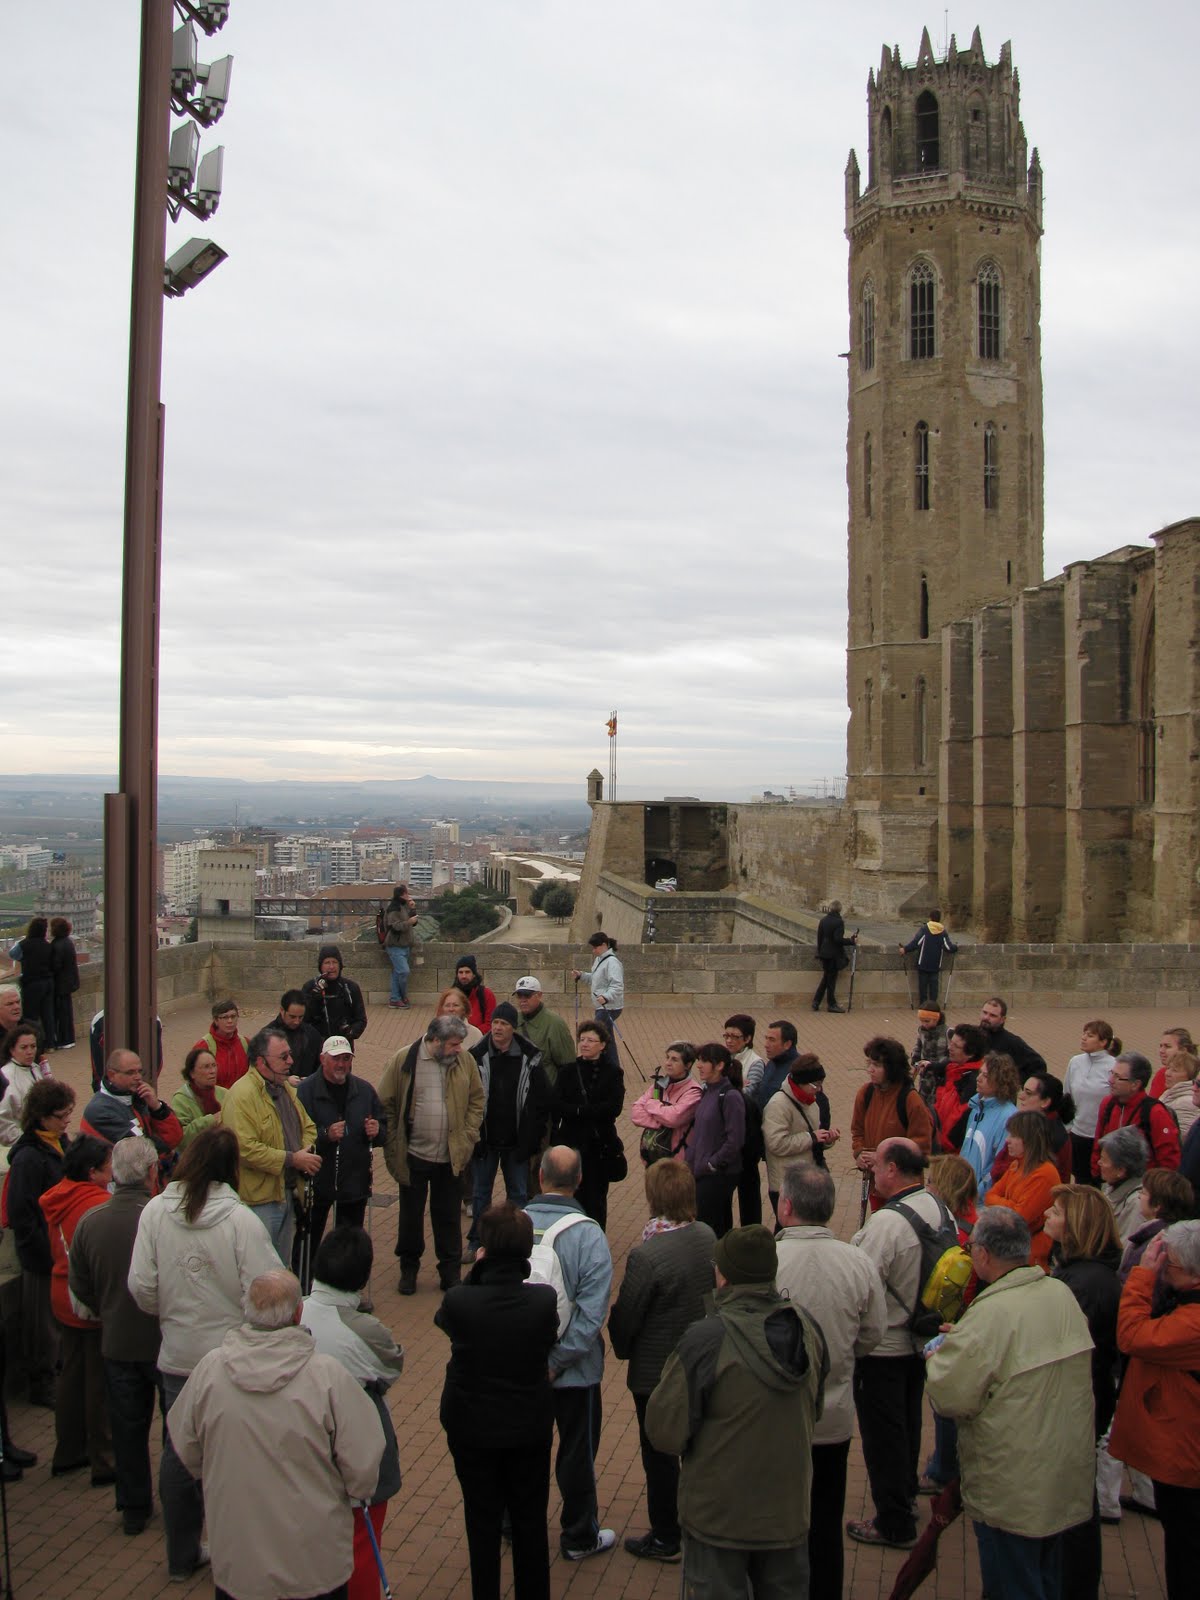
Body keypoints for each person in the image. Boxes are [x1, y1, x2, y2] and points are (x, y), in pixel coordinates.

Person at [167, 1269, 385, 1600]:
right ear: (298, 1313)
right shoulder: (327, 1378)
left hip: (239, 1561)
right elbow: (364, 1468)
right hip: (314, 1563)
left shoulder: (209, 1371)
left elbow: (185, 1446)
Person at [128, 1127, 284, 1581]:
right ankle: (237, 1554)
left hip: (178, 1356)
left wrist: (172, 1314)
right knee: (236, 1460)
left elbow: (142, 1285)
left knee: (179, 1455)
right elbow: (268, 1290)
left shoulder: (155, 1212)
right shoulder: (242, 1222)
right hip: (232, 1362)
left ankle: (180, 1558)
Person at [646, 1224, 826, 1599]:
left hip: (719, 1518)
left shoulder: (706, 1339)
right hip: (786, 1513)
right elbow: (816, 1407)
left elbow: (665, 1429)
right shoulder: (807, 1328)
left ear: (724, 1275)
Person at [925, 1207, 1095, 1600]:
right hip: (1062, 1475)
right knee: (1047, 1577)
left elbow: (950, 1394)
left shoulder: (992, 1312)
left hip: (1013, 1483)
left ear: (983, 1255)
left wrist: (942, 1358)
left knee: (1012, 1583)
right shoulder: (1059, 1292)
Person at [436, 1203, 558, 1600]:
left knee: (481, 1522)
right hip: (527, 1428)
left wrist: (478, 1271)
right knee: (529, 1523)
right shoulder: (542, 1302)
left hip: (473, 1429)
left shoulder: (460, 1301)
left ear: (485, 1250)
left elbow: (445, 1318)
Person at [775, 1163, 885, 1600]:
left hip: (779, 1417)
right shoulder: (856, 1261)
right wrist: (841, 1358)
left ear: (785, 1206)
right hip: (833, 1415)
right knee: (825, 1518)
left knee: (777, 1518)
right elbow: (873, 1333)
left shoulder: (768, 1261)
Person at [609, 1159, 716, 1564]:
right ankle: (697, 1518)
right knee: (697, 1444)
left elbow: (627, 1316)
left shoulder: (648, 1255)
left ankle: (666, 1534)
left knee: (658, 1453)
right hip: (700, 1362)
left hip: (657, 1371)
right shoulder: (707, 1235)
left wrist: (620, 1340)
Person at [848, 1138, 948, 1548]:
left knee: (883, 1433)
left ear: (892, 1170)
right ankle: (904, 1495)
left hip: (885, 1344)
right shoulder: (938, 1208)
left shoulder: (887, 1224)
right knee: (907, 1421)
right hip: (919, 1339)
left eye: (878, 1165)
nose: (872, 1172)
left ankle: (893, 1521)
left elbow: (861, 1285)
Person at [67, 1135, 163, 1536]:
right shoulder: (162, 1219)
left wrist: (109, 1309)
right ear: (150, 1173)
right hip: (163, 1340)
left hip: (117, 1340)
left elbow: (81, 1285)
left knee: (126, 1428)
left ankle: (134, 1506)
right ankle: (181, 1500)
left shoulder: (90, 1223)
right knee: (178, 1427)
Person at [302, 1228, 404, 1600]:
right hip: (358, 1448)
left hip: (301, 1444)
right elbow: (392, 1366)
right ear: (363, 1277)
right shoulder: (366, 1329)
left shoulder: (292, 1312)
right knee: (362, 1545)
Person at [525, 1145, 616, 1562]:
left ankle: (516, 1524)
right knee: (578, 1453)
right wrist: (559, 1361)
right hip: (576, 1372)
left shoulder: (514, 1224)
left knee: (522, 1451)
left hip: (521, 1369)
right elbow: (592, 1312)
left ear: (539, 1177)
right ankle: (579, 1534)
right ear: (579, 1181)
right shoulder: (588, 1233)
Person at [1108, 1222, 1200, 1600]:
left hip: (1186, 1457)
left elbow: (1132, 1336)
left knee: (1187, 1547)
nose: (1165, 1271)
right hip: (1182, 1449)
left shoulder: (1193, 1323)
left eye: (1170, 1265)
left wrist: (1144, 1275)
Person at [1041, 1185, 1124, 1568]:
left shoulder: (1086, 1283)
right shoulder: (1084, 1274)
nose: (1047, 1215)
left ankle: (1071, 1580)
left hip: (1077, 1403)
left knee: (1072, 1503)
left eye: (1056, 1212)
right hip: (1083, 1399)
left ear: (1076, 1226)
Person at [380, 1015, 484, 1295]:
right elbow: (386, 1104)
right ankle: (409, 1269)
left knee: (448, 1217)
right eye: (453, 1044)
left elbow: (477, 1099)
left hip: (450, 1156)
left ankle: (450, 1272)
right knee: (411, 1217)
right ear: (434, 1041)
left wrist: (469, 1135)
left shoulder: (465, 1062)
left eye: (460, 1043)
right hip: (413, 1155)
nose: (458, 1049)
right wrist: (392, 1142)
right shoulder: (404, 1060)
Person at [39, 1134, 114, 1482]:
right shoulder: (96, 1204)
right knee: (98, 1383)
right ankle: (104, 1461)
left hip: (61, 1291)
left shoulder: (60, 1196)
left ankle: (68, 1451)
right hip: (89, 1299)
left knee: (70, 1374)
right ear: (92, 1171)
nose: (112, 1172)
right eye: (107, 1166)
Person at [222, 1026, 320, 1260]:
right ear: (261, 1062)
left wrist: (305, 1150)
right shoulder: (241, 1095)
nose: (291, 1061)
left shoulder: (284, 1087)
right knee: (258, 1267)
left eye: (290, 1055)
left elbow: (308, 1126)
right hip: (258, 1201)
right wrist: (292, 1159)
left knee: (280, 1267)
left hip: (287, 1192)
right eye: (283, 1056)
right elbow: (244, 1148)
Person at [7, 1077, 75, 1406]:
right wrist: (45, 1254)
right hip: (42, 1256)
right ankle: (42, 1383)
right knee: (43, 1326)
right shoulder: (28, 1158)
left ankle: (57, 1374)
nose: (67, 1122)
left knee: (58, 1323)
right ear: (43, 1116)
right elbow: (21, 1214)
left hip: (60, 1250)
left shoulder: (59, 1143)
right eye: (61, 1115)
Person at [465, 1004, 549, 1262]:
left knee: (518, 1194)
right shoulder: (476, 1055)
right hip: (486, 1139)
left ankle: (518, 1243)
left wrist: (531, 1140)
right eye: (495, 1023)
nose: (498, 1028)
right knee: (481, 1194)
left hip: (517, 1142)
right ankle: (477, 1242)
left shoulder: (529, 1057)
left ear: (513, 1028)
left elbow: (541, 1101)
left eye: (504, 1024)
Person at [919, 1153, 980, 1495]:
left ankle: (944, 1468)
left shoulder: (960, 1230)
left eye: (931, 1182)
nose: (927, 1187)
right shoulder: (964, 1220)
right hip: (957, 1318)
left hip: (953, 1323)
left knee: (944, 1401)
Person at [297, 1036, 386, 1255]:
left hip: (353, 1182)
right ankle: (305, 1284)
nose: (341, 1064)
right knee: (308, 1241)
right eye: (336, 1058)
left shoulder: (364, 1090)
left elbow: (384, 1128)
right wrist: (325, 1135)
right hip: (316, 1181)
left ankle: (345, 1284)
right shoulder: (305, 1091)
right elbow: (296, 1137)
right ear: (322, 1059)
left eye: (346, 1058)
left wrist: (378, 1131)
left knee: (348, 1246)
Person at [550, 1020, 624, 1228]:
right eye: (582, 1039)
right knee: (569, 1197)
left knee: (596, 1200)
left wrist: (579, 1111)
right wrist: (583, 1112)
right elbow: (557, 1104)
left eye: (591, 1040)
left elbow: (613, 1108)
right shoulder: (567, 1071)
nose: (584, 1044)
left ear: (602, 1045)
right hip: (571, 1144)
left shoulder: (613, 1073)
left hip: (598, 1147)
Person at [851, 1036, 933, 1209]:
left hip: (904, 1190)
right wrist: (859, 1153)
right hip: (876, 1185)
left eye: (877, 1065)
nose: (870, 1070)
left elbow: (922, 1146)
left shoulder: (911, 1100)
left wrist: (883, 1158)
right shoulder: (865, 1093)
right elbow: (857, 1131)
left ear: (891, 1068)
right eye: (869, 1064)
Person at [762, 1052, 840, 1216]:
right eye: (815, 1084)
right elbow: (776, 1144)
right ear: (800, 1083)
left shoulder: (810, 1101)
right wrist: (812, 1137)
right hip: (786, 1183)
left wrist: (826, 1139)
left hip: (806, 1179)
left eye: (821, 1084)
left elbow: (812, 1137)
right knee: (787, 1226)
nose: (819, 1089)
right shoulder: (778, 1105)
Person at [80, 1048, 184, 1169]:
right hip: (118, 1182)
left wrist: (157, 1107)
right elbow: (141, 1151)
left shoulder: (138, 1098)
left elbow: (175, 1137)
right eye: (130, 1073)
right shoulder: (100, 1111)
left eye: (140, 1071)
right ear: (111, 1075)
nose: (138, 1077)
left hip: (146, 1175)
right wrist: (166, 1150)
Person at [985, 1110, 1061, 1269]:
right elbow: (989, 1196)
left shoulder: (1045, 1173)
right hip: (1013, 1246)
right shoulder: (1016, 1165)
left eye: (1013, 1135)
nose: (1007, 1140)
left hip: (1032, 1257)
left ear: (1029, 1139)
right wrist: (1012, 1204)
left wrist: (1004, 1205)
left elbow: (1019, 1218)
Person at [683, 1042, 745, 1238]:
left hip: (718, 1174)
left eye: (704, 1061)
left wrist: (712, 1163)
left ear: (719, 1065)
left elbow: (735, 1140)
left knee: (708, 1228)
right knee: (712, 1226)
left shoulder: (730, 1096)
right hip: (700, 1171)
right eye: (698, 1061)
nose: (699, 1065)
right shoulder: (707, 1092)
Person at [1091, 1050, 1181, 1176]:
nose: (1110, 1080)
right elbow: (1099, 1142)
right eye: (1112, 1073)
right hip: (1110, 1183)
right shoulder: (1108, 1104)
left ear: (1135, 1084)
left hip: (1142, 1188)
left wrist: (1154, 1189)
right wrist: (1096, 1174)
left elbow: (1169, 1161)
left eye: (1118, 1077)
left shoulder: (1155, 1113)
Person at [1064, 1019, 1121, 1184]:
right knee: (1080, 1179)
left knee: (1098, 1181)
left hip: (1101, 1137)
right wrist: (1068, 1127)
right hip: (1077, 1133)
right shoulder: (1075, 1062)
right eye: (1084, 1034)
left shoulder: (1114, 1066)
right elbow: (1067, 1095)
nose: (1084, 1038)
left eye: (1090, 1036)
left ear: (1103, 1042)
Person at [629, 1040, 701, 1167]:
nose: (668, 1063)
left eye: (674, 1060)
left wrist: (652, 1105)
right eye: (667, 1058)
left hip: (677, 1162)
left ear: (688, 1065)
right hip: (652, 1158)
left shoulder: (693, 1092)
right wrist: (664, 1120)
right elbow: (636, 1114)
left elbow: (674, 1118)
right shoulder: (659, 1085)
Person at [960, 1051, 1021, 1187]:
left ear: (1001, 1081)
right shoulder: (976, 1108)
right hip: (963, 1193)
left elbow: (1000, 1165)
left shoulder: (1009, 1117)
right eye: (980, 1073)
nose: (978, 1078)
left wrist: (979, 1193)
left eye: (985, 1076)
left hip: (981, 1200)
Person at [1009, 1070, 1075, 1181]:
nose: (1021, 1096)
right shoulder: (1031, 1125)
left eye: (1028, 1093)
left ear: (1045, 1102)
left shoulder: (1050, 1136)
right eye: (1023, 1090)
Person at [930, 1022, 986, 1152]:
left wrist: (941, 1144)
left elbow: (960, 1119)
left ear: (970, 1053)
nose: (950, 1048)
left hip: (951, 1152)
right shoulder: (953, 1070)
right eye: (951, 1043)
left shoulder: (974, 1082)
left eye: (956, 1046)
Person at [512, 976, 576, 1085]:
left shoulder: (555, 1024)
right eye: (519, 995)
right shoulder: (513, 1021)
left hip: (545, 1090)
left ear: (539, 995)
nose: (523, 1000)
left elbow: (567, 1064)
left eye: (527, 995)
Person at [303, 944, 368, 1046]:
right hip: (317, 1046)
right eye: (327, 963)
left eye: (335, 962)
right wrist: (314, 1000)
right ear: (321, 966)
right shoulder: (310, 987)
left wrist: (350, 1033)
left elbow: (361, 1019)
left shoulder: (351, 988)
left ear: (340, 965)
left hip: (343, 1045)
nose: (331, 967)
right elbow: (303, 1020)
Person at [1097, 1126, 1151, 1243]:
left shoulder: (1136, 1203)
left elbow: (1125, 1247)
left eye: (1104, 1160)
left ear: (1121, 1170)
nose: (1099, 1162)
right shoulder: (1110, 1186)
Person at [0, 1021, 50, 1145]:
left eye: (33, 1046)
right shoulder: (6, 1076)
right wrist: (27, 1142)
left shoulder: (36, 1068)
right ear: (12, 1049)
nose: (30, 1052)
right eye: (24, 1047)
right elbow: (3, 1121)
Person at [573, 932, 624, 1049]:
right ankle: (612, 1065)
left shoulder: (612, 963)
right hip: (601, 1006)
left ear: (604, 945)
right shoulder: (600, 960)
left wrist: (606, 997)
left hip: (610, 1007)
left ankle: (601, 1062)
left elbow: (617, 986)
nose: (593, 951)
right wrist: (581, 975)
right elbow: (595, 978)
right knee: (606, 1039)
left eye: (595, 947)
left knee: (596, 1034)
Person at [258, 989, 323, 1082]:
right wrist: (285, 1080)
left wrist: (312, 1080)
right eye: (292, 1017)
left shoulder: (312, 1034)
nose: (297, 1021)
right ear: (282, 1010)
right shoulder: (267, 1035)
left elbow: (320, 1066)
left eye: (300, 1017)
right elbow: (259, 1069)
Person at [171, 1045, 227, 1147]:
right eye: (206, 1067)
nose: (212, 1071)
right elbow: (181, 1138)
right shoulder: (180, 1099)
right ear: (192, 1073)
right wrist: (212, 1120)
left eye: (214, 1065)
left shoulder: (225, 1093)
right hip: (196, 1158)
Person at [979, 995, 1047, 1075]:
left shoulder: (1012, 1042)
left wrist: (1014, 1082)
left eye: (992, 1015)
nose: (986, 1017)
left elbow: (1039, 1065)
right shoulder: (970, 1036)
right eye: (985, 1012)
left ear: (1002, 1020)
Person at [899, 911, 956, 1004]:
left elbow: (916, 943)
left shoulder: (925, 929)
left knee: (923, 986)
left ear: (930, 918)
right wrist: (955, 947)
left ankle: (923, 1005)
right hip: (935, 964)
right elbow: (948, 947)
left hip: (923, 963)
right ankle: (933, 1006)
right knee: (934, 987)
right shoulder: (942, 931)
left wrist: (905, 949)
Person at [15, 916, 55, 1049]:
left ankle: (35, 1045)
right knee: (47, 1015)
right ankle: (50, 1044)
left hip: (32, 983)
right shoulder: (48, 946)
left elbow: (12, 954)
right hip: (48, 982)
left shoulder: (24, 944)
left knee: (30, 1016)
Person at [192, 998, 250, 1089]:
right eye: (225, 1017)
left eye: (233, 1016)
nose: (230, 1021)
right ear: (215, 1020)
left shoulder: (245, 1043)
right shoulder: (203, 1046)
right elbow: (194, 1080)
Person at [813, 899, 855, 1012]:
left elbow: (819, 938)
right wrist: (850, 941)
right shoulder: (838, 922)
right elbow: (838, 939)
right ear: (840, 910)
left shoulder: (823, 920)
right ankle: (831, 1004)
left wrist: (820, 952)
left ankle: (816, 1001)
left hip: (824, 953)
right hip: (833, 955)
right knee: (831, 980)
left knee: (826, 978)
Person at [749, 1020, 801, 1110]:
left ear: (787, 1044)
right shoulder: (772, 1063)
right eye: (766, 1038)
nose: (766, 1045)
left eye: (772, 1040)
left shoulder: (800, 1069)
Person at [382, 883, 419, 1008]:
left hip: (405, 945)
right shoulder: (394, 908)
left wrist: (412, 909)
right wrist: (409, 922)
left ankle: (395, 998)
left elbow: (414, 923)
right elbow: (395, 926)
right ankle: (401, 996)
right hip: (395, 945)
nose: (408, 896)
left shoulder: (404, 907)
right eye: (406, 894)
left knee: (397, 973)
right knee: (403, 971)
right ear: (401, 895)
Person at [48, 916, 79, 1050]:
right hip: (68, 982)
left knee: (62, 1014)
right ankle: (68, 1039)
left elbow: (56, 965)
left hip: (60, 984)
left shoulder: (57, 944)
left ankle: (64, 1040)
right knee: (66, 1012)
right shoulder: (68, 942)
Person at [911, 1004, 949, 1100]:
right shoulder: (922, 1031)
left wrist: (939, 1065)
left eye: (927, 1021)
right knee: (923, 1097)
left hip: (940, 1073)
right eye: (922, 1021)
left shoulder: (947, 1033)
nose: (924, 1024)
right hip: (925, 1073)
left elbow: (950, 1053)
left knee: (937, 1098)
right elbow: (918, 1045)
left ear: (936, 1019)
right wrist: (915, 1058)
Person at [451, 953, 496, 1033]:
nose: (464, 976)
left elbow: (491, 1024)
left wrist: (471, 1034)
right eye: (460, 972)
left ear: (474, 974)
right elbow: (442, 1021)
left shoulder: (486, 994)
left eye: (467, 972)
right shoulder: (450, 996)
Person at [1149, 1026, 1196, 1101]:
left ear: (1183, 1050)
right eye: (1160, 1046)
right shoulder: (1162, 1073)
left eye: (1167, 1046)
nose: (1161, 1050)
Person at [723, 1014, 765, 1098]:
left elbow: (749, 1091)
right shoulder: (721, 1057)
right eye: (726, 1036)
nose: (729, 1041)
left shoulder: (756, 1063)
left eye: (734, 1037)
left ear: (747, 1039)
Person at [1159, 1050, 1199, 1138]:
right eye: (1168, 1068)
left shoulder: (1188, 1102)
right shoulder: (1170, 1094)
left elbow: (1181, 1140)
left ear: (1189, 1076)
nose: (1167, 1073)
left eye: (1175, 1070)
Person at [434, 985, 482, 1050]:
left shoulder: (475, 1034)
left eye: (455, 1005)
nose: (451, 1009)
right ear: (442, 1009)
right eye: (447, 1005)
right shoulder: (434, 1033)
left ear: (464, 1009)